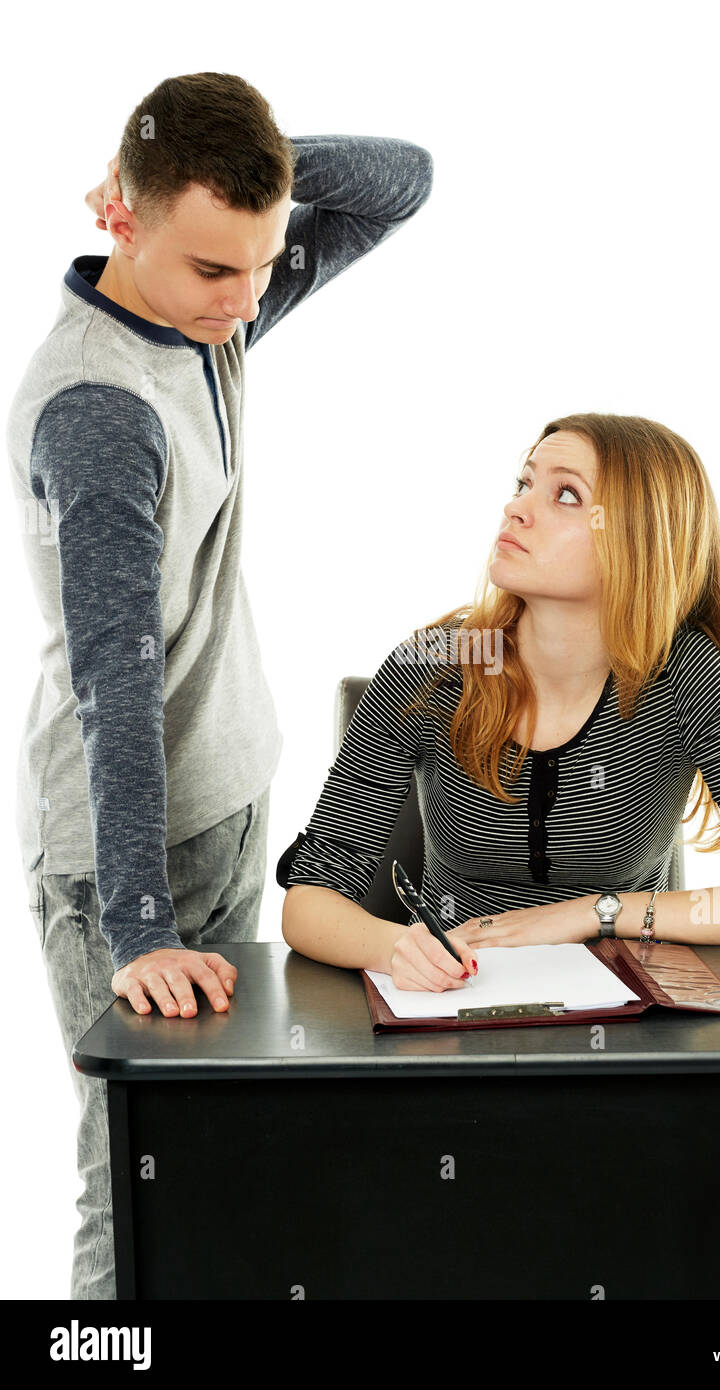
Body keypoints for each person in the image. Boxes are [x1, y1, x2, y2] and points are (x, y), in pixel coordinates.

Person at [7, 71, 433, 1300]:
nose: (248, 299)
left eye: (258, 263)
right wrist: (138, 926)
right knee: (134, 1170)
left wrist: (258, 164)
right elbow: (115, 682)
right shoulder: (99, 408)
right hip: (119, 855)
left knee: (225, 1146)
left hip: (224, 803)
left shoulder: (207, 311)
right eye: (214, 269)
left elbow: (402, 185)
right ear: (123, 222)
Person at [279, 414, 720, 988]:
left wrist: (596, 914)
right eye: (524, 484)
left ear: (638, 537)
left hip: (625, 1019)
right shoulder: (436, 663)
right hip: (458, 1004)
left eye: (566, 495)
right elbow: (307, 902)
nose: (516, 508)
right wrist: (396, 945)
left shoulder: (679, 674)